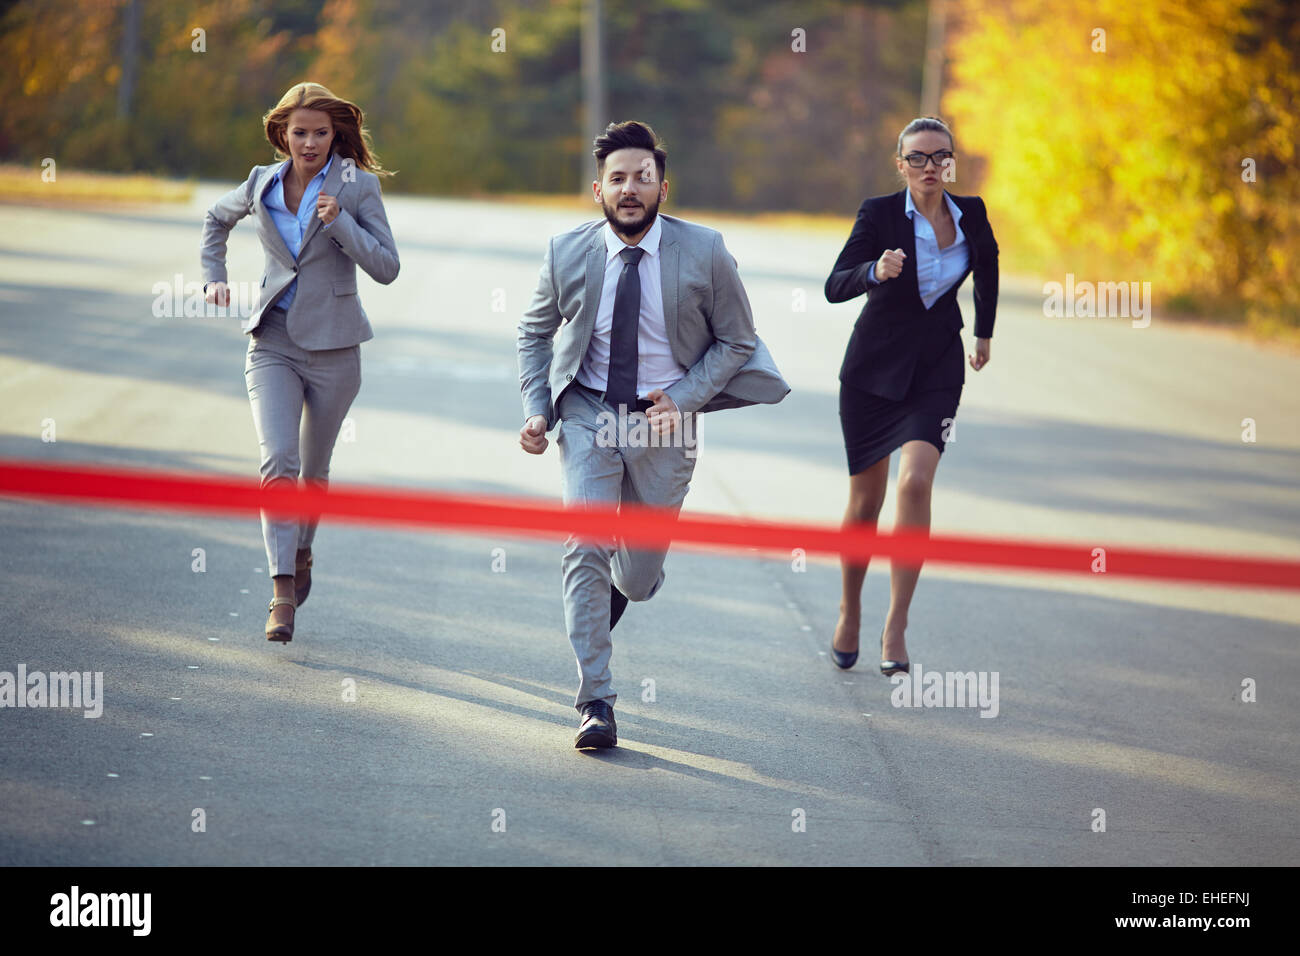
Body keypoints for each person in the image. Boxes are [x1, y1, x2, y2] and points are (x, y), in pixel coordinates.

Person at [517, 120, 789, 749]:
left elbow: (738, 339)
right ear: (597, 190)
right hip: (589, 412)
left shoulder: (705, 251)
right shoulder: (567, 252)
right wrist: (538, 408)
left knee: (636, 579)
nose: (630, 188)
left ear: (664, 187)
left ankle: (623, 586)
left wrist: (685, 397)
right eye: (618, 179)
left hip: (666, 421)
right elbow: (533, 334)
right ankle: (596, 703)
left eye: (643, 177)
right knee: (585, 543)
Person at [200, 81, 399, 643]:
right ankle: (282, 590)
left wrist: (341, 224)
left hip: (336, 351)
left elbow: (387, 267)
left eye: (319, 132)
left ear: (335, 134)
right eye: (299, 132)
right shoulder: (261, 182)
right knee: (278, 461)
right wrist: (215, 279)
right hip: (273, 342)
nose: (309, 142)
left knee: (312, 473)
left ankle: (302, 549)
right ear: (281, 134)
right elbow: (215, 221)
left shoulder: (358, 187)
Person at [824, 116, 998, 676]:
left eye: (940, 156)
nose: (929, 166)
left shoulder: (971, 212)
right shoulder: (878, 214)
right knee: (865, 503)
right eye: (917, 157)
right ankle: (850, 608)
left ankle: (895, 623)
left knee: (916, 481)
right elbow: (835, 284)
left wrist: (983, 332)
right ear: (900, 164)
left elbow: (989, 267)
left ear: (952, 163)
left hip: (937, 367)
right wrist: (875, 271)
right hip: (872, 371)